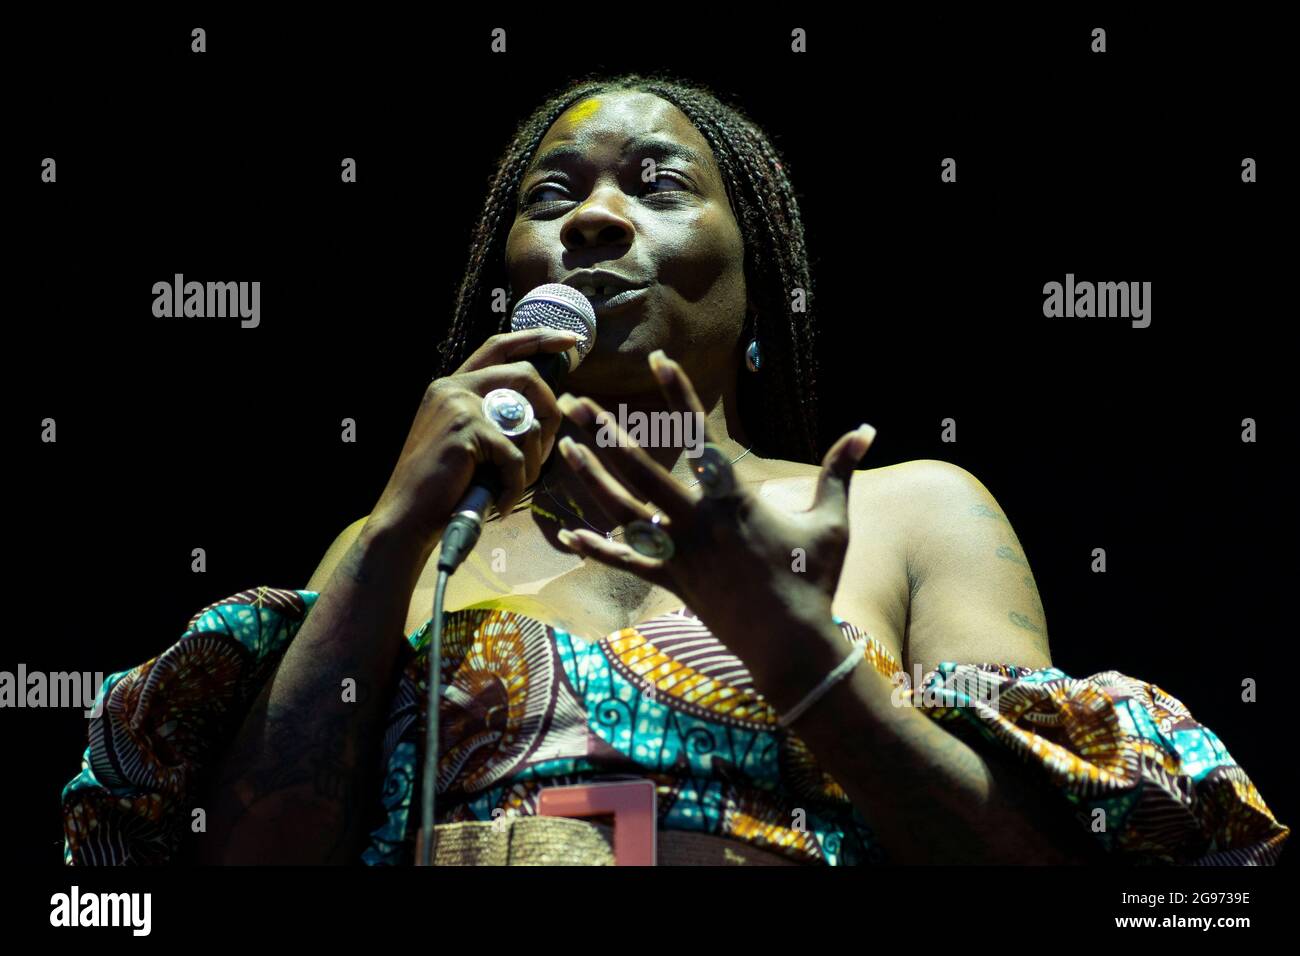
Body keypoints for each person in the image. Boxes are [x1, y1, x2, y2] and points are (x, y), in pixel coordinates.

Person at [62, 73, 1288, 866]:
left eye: (655, 186)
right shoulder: (404, 546)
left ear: (757, 290)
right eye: (553, 195)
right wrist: (388, 533)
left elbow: (1045, 866)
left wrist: (798, 659)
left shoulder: (910, 512)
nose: (593, 218)